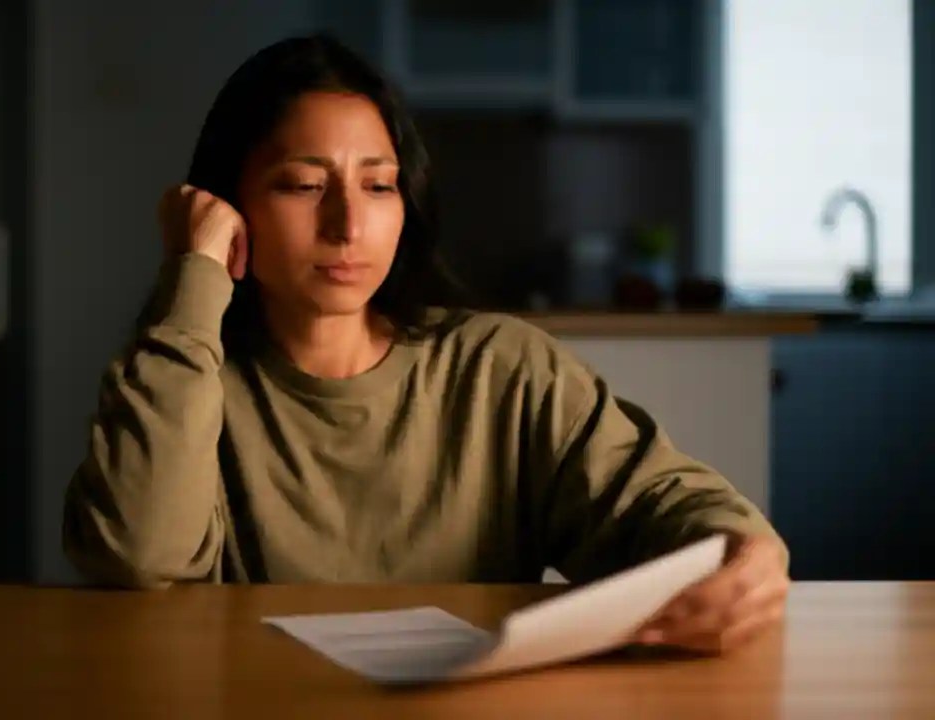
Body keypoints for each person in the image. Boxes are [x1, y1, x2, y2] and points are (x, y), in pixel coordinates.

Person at [63, 35, 789, 653]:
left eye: (379, 186)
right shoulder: (189, 380)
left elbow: (665, 504)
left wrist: (745, 551)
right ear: (230, 205)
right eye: (303, 184)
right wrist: (194, 274)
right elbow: (135, 552)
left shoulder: (500, 368)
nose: (349, 224)